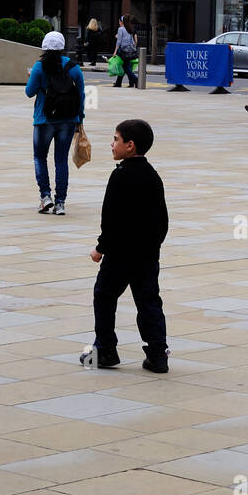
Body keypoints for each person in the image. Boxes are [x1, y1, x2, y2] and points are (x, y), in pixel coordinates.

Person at [80, 119, 170, 374]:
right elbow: (162, 220)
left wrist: (100, 248)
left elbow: (111, 219)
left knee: (104, 296)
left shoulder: (120, 176)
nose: (112, 144)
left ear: (130, 146)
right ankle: (157, 353)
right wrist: (154, 246)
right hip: (147, 255)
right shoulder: (153, 176)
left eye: (116, 139)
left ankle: (105, 348)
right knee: (149, 301)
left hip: (120, 255)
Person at [25, 31, 86, 215]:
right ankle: (60, 202)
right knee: (61, 160)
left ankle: (45, 197)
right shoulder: (74, 68)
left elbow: (29, 92)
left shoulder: (39, 67)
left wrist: (32, 78)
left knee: (40, 157)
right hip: (68, 120)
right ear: (62, 48)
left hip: (44, 119)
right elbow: (81, 94)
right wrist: (79, 119)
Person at [112, 14, 139, 88]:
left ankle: (136, 80)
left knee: (126, 68)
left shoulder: (120, 29)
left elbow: (119, 42)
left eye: (119, 21)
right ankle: (120, 83)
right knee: (125, 66)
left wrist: (115, 51)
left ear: (122, 22)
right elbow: (133, 41)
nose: (119, 22)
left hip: (123, 51)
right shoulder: (130, 28)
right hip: (130, 51)